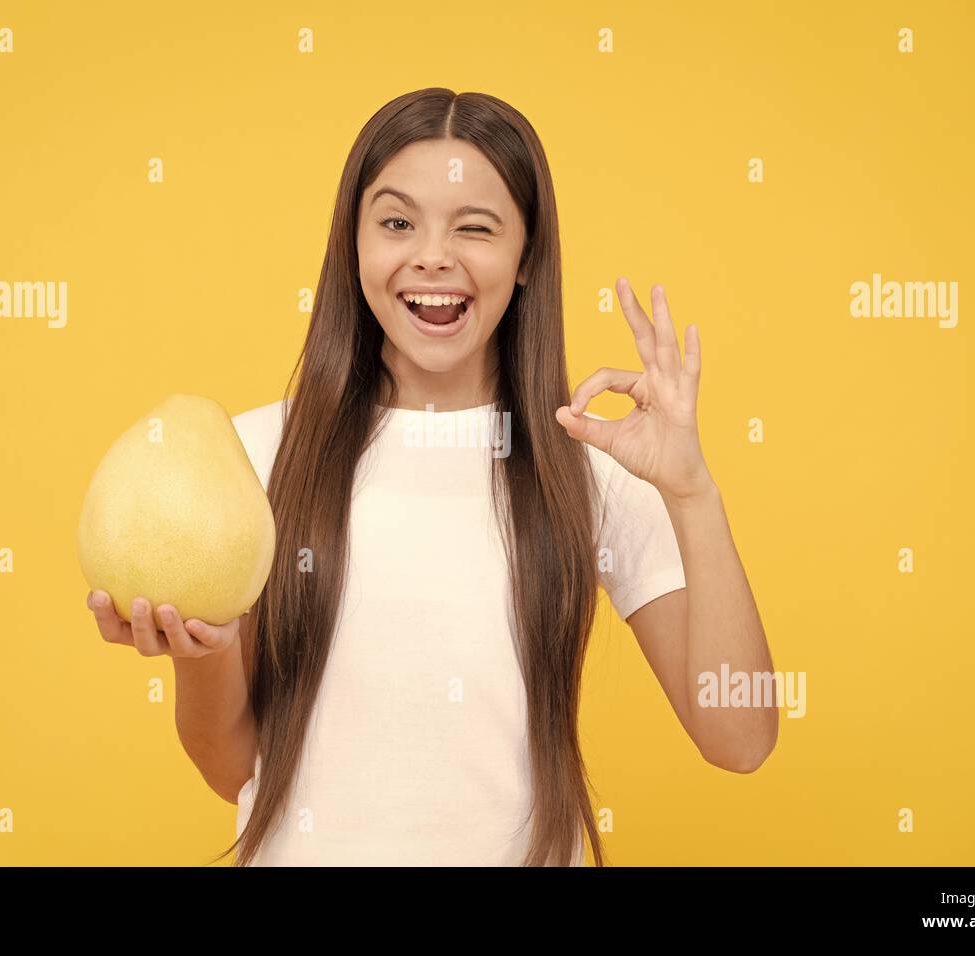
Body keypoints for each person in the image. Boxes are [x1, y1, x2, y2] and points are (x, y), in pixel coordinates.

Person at [86, 88, 776, 866]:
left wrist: (691, 490)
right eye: (396, 222)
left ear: (527, 260)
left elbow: (740, 738)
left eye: (475, 228)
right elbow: (235, 769)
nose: (432, 256)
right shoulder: (254, 460)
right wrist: (199, 651)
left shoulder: (589, 468)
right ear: (354, 246)